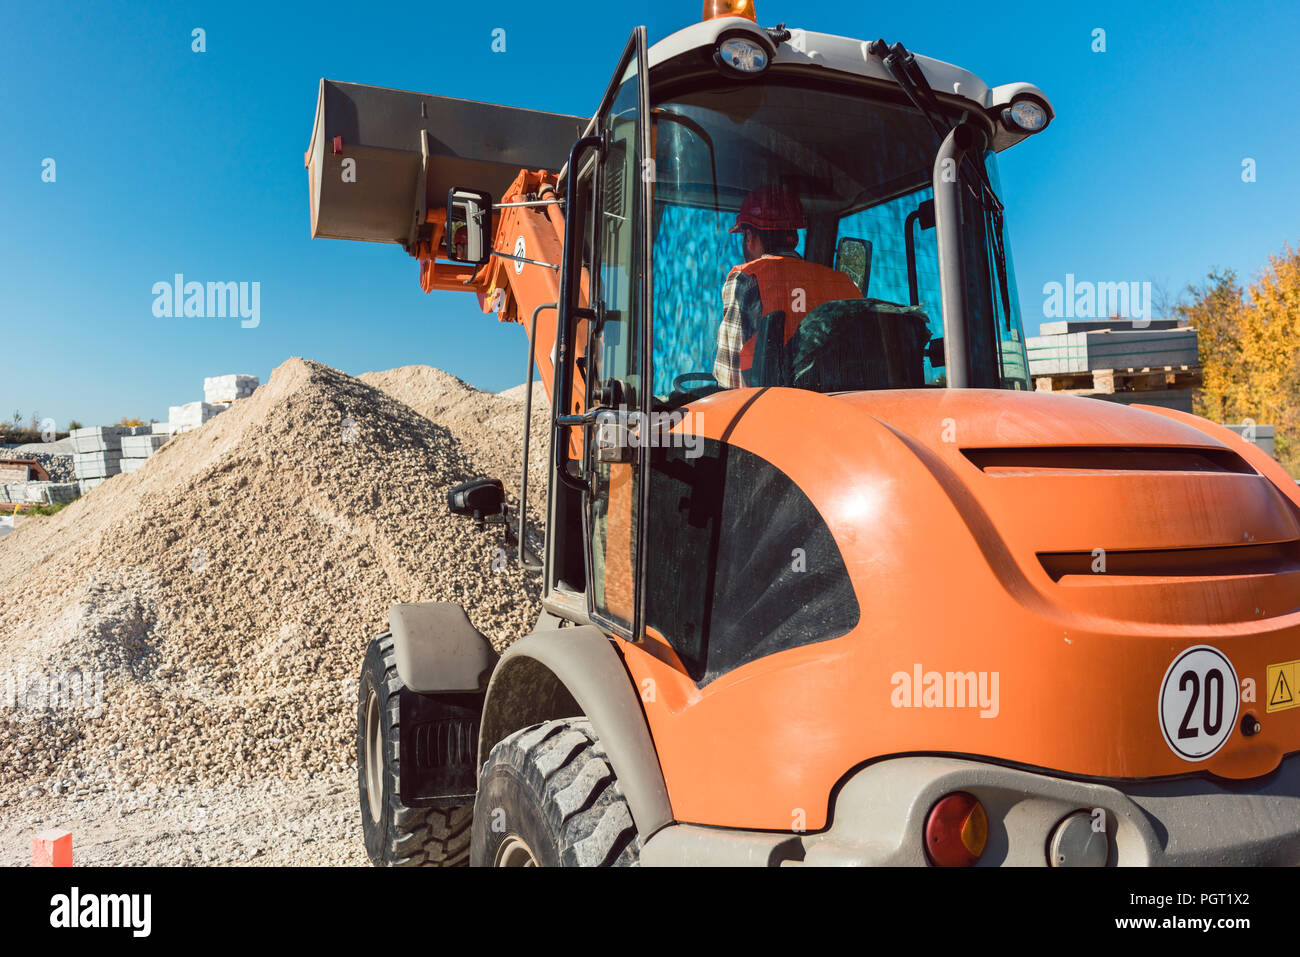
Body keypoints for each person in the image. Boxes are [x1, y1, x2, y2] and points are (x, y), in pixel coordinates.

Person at [713, 185, 862, 388]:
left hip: (767, 413)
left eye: (744, 236)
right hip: (839, 411)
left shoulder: (747, 279)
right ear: (794, 237)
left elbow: (728, 377)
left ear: (749, 236)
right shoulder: (843, 283)